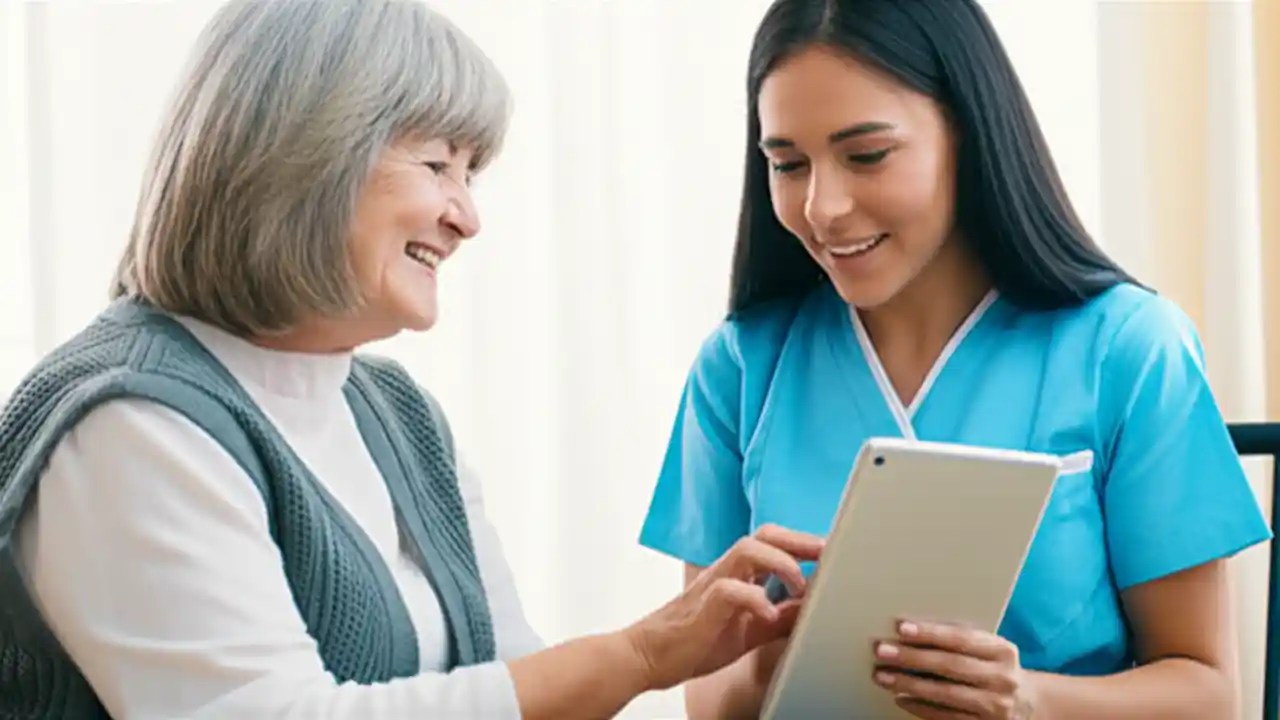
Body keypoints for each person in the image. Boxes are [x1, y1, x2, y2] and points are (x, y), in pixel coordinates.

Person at [0, 1, 826, 718]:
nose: (466, 217)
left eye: (471, 174)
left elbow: (514, 677)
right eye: (437, 165)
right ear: (300, 159)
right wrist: (643, 656)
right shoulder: (128, 422)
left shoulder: (395, 413)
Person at [638, 0, 1272, 718]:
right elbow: (706, 700)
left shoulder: (1129, 350)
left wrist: (1026, 700)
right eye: (788, 164)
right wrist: (784, 660)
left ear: (968, 133)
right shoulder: (740, 368)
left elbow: (1209, 693)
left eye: (866, 155)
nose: (823, 206)